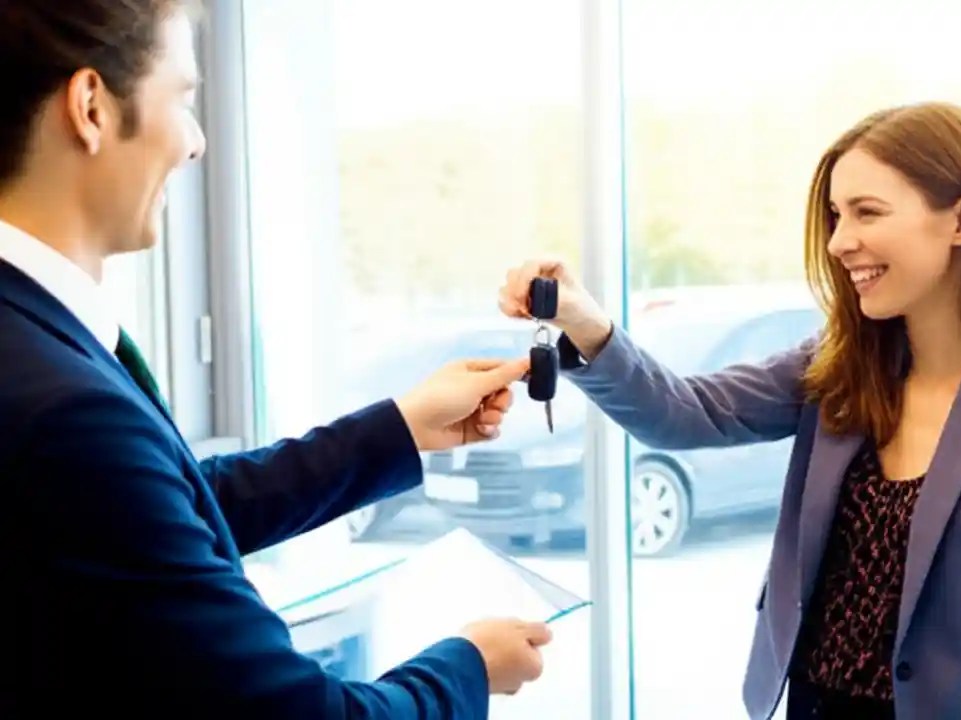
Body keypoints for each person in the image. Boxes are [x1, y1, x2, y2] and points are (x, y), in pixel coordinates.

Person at [0, 1, 550, 716]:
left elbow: (159, 513)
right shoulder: (66, 411)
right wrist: (469, 666)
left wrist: (399, 429)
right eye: (183, 99)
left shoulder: (33, 344)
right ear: (92, 106)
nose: (195, 143)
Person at [499, 102, 961, 719]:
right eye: (835, 216)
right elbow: (683, 413)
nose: (840, 241)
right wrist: (581, 318)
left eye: (867, 212)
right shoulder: (835, 368)